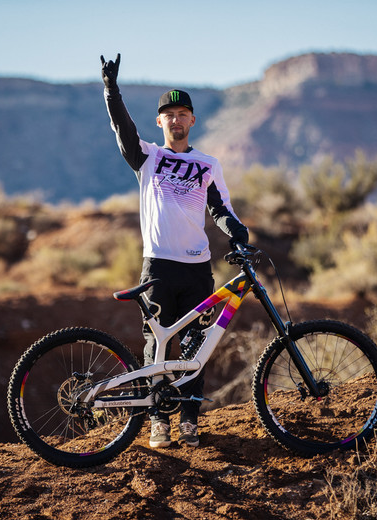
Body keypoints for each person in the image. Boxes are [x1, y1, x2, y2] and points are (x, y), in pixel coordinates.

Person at [100, 53, 248, 449]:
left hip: (197, 269)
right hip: (158, 269)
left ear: (192, 120)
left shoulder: (207, 164)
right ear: (160, 122)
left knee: (196, 346)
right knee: (158, 345)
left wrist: (237, 233)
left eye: (183, 114)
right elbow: (123, 130)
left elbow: (221, 209)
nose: (176, 120)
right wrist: (112, 92)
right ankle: (158, 422)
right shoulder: (148, 157)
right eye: (169, 115)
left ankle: (189, 421)